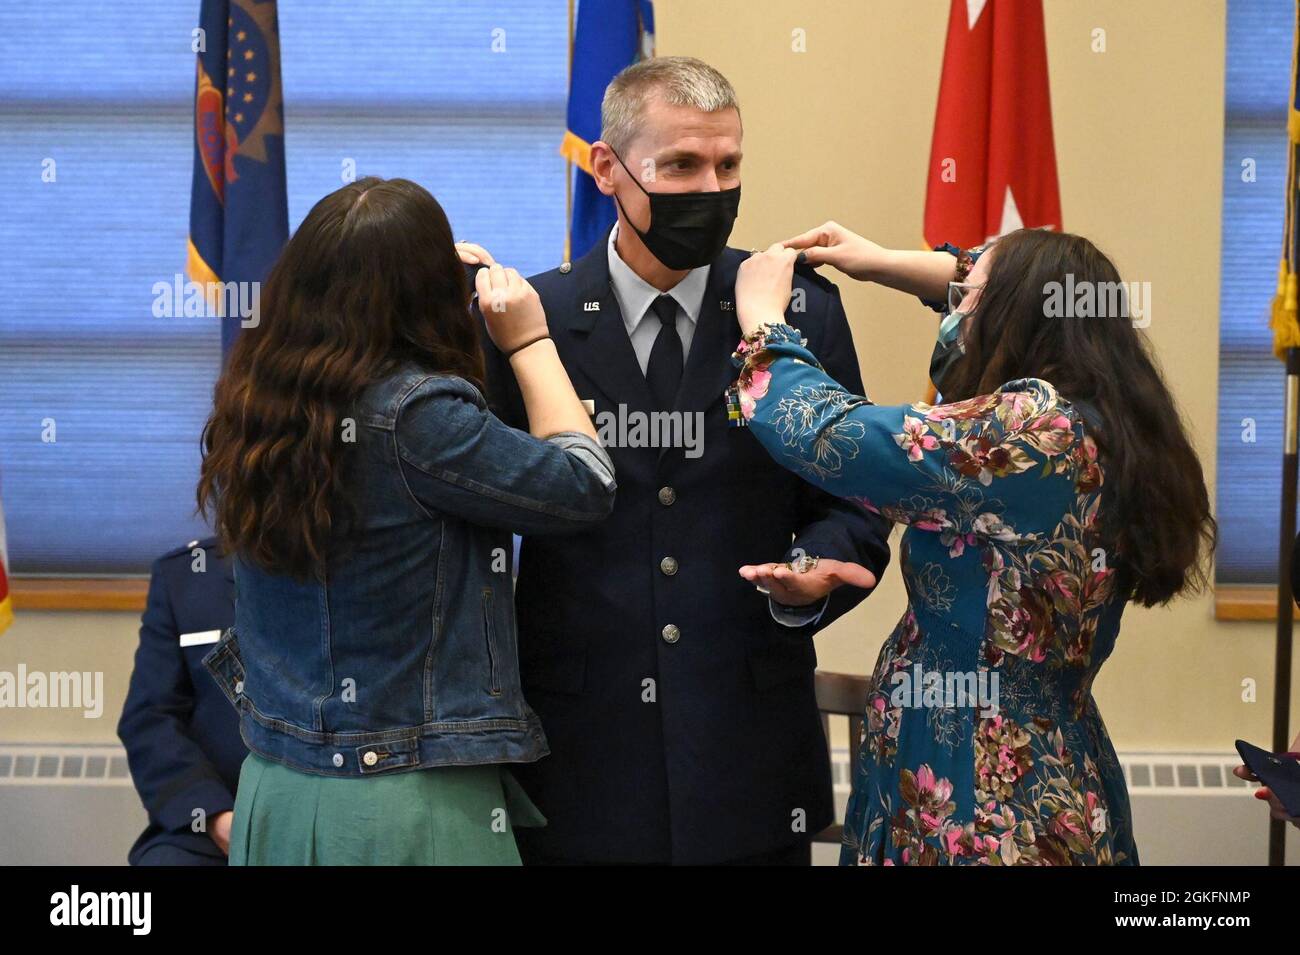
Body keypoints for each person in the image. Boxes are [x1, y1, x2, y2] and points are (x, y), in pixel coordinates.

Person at [477, 57, 892, 865]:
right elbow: (483, 521)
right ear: (608, 168)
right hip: (580, 755)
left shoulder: (797, 309)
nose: (711, 188)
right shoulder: (535, 319)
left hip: (750, 748)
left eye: (728, 164)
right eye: (681, 165)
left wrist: (815, 572)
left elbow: (857, 498)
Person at [731, 223, 1216, 865]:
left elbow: (831, 436)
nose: (954, 309)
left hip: (982, 794)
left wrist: (765, 322)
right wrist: (878, 263)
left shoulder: (1028, 432)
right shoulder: (1107, 418)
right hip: (1051, 764)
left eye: (967, 296)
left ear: (1013, 313)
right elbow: (1014, 283)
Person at [196, 177, 616, 865]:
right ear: (425, 296)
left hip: (275, 794)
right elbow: (585, 483)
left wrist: (398, 269)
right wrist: (529, 339)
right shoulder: (418, 419)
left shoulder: (256, 402)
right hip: (403, 802)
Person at [118, 536, 243, 865]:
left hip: (332, 820)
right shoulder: (184, 577)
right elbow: (149, 719)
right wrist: (216, 818)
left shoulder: (365, 569)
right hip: (213, 825)